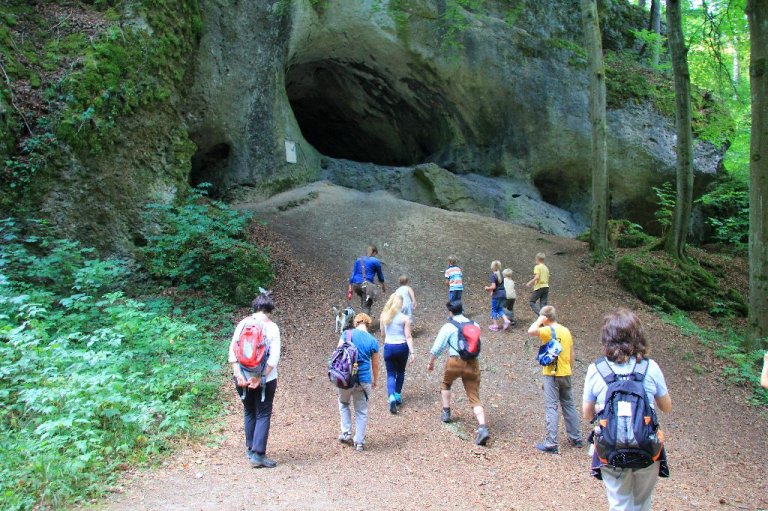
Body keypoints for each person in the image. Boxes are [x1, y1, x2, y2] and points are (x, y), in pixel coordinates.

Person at [583, 309, 672, 511]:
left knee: (619, 504)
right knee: (642, 503)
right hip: (646, 446)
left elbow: (587, 414)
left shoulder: (596, 369)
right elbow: (666, 407)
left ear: (607, 338)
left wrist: (602, 407)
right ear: (638, 336)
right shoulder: (650, 368)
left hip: (610, 448)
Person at [229, 290, 282, 468]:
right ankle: (258, 455)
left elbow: (232, 352)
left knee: (249, 411)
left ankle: (251, 449)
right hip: (264, 379)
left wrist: (238, 374)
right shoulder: (272, 327)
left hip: (242, 376)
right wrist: (261, 377)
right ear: (269, 310)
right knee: (263, 413)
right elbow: (274, 359)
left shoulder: (243, 324)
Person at [427, 300, 490, 446]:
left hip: (454, 361)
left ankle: (446, 411)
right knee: (474, 396)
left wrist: (431, 362)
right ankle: (482, 428)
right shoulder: (474, 325)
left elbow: (438, 347)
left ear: (450, 312)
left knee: (446, 383)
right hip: (472, 362)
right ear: (463, 309)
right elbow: (477, 345)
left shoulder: (448, 326)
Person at [528, 305, 582, 453]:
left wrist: (539, 319)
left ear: (545, 318)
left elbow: (531, 331)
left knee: (551, 406)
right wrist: (569, 369)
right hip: (565, 372)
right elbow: (572, 353)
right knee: (568, 404)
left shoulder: (547, 330)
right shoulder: (566, 330)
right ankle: (576, 437)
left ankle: (551, 443)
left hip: (551, 374)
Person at [337, 313, 380, 452]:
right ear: (368, 324)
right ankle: (359, 442)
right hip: (363, 379)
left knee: (344, 403)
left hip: (346, 377)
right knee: (361, 411)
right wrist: (375, 379)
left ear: (356, 323)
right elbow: (375, 364)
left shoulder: (347, 334)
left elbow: (338, 353)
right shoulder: (373, 341)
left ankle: (346, 433)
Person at [380, 293, 415, 414]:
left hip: (389, 347)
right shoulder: (404, 318)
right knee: (400, 371)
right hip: (401, 347)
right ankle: (397, 395)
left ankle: (391, 397)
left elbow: (382, 335)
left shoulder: (384, 316)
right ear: (401, 304)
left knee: (390, 373)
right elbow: (408, 336)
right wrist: (412, 352)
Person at [348, 245, 386, 314]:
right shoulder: (376, 261)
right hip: (366, 285)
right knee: (366, 306)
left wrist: (350, 286)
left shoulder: (359, 259)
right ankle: (363, 323)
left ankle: (361, 319)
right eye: (375, 254)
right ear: (374, 252)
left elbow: (353, 273)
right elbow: (380, 275)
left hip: (356, 285)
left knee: (364, 301)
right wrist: (383, 286)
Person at [484, 260, 510, 332]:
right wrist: (492, 291)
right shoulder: (501, 275)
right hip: (503, 294)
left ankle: (495, 325)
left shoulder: (493, 275)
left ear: (492, 267)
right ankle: (506, 320)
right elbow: (499, 285)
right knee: (500, 309)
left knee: (494, 310)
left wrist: (487, 288)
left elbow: (494, 286)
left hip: (497, 295)